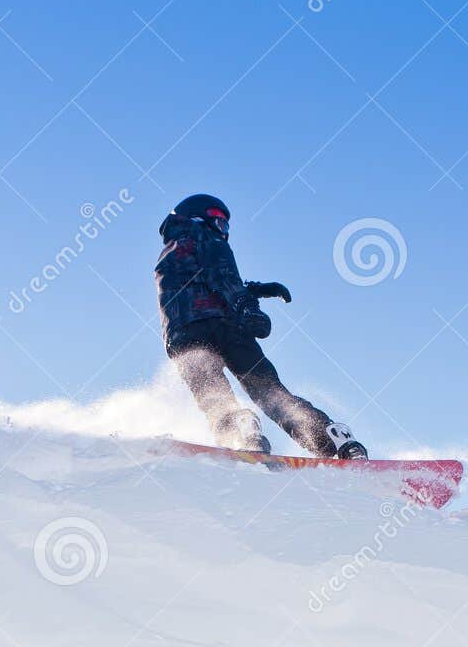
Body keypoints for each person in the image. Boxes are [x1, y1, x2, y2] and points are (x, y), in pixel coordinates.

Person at [154, 193, 368, 459]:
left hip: (184, 336)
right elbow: (223, 277)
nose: (223, 230)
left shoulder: (170, 253)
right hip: (227, 328)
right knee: (269, 391)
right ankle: (332, 440)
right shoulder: (208, 239)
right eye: (219, 221)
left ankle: (241, 433)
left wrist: (257, 290)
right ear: (198, 217)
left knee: (212, 395)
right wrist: (248, 307)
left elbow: (203, 281)